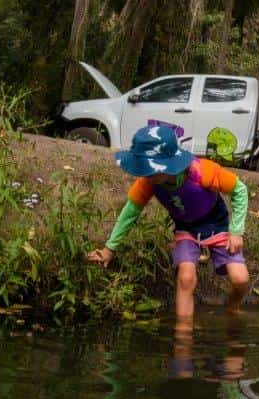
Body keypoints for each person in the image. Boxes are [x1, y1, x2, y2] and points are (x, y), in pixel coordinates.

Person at [88, 124, 250, 317]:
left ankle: (233, 309)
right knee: (186, 278)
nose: (147, 175)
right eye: (144, 170)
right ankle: (183, 337)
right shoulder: (148, 182)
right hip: (185, 228)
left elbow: (239, 190)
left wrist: (236, 231)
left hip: (217, 222)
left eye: (152, 171)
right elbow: (130, 212)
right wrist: (109, 248)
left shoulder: (201, 172)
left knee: (240, 279)